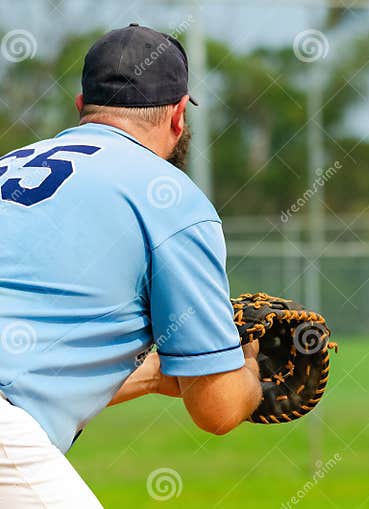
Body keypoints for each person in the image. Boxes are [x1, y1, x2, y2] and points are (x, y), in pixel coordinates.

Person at [0, 25, 263, 508]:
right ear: (179, 115)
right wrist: (249, 376)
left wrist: (162, 374)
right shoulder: (171, 198)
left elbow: (28, 364)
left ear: (82, 107)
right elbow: (218, 409)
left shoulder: (8, 166)